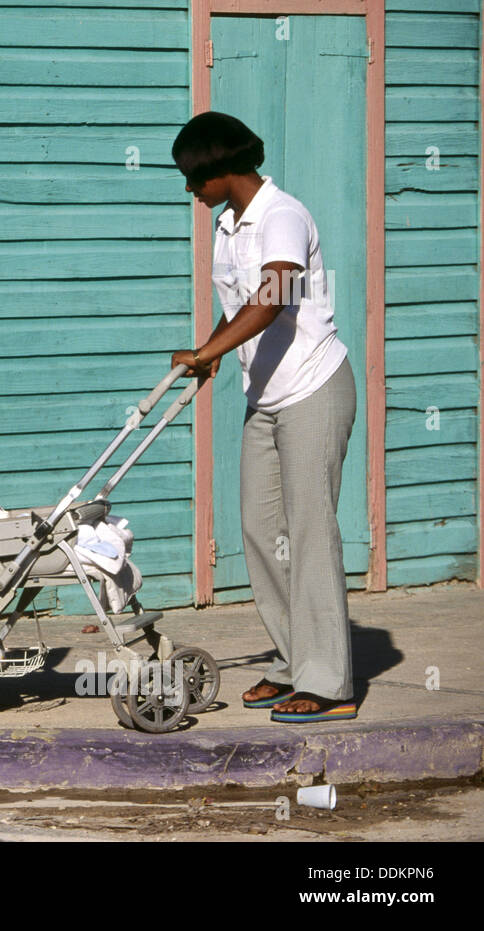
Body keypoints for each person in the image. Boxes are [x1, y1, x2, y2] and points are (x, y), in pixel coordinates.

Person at [169, 111, 358, 723]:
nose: (190, 191)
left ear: (220, 169)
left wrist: (207, 352)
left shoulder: (282, 215)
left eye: (193, 179)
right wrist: (213, 355)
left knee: (309, 532)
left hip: (313, 391)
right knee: (259, 528)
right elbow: (244, 305)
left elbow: (275, 298)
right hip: (266, 398)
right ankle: (292, 662)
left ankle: (329, 684)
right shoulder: (230, 225)